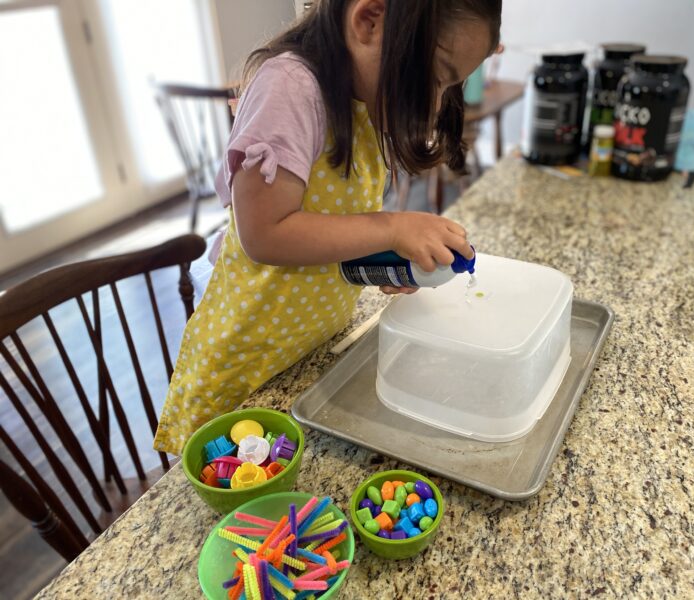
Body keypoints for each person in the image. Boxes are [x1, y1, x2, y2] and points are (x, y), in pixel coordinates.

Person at [154, 0, 502, 454]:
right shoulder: (290, 87)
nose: (436, 103)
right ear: (369, 21)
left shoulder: (360, 95)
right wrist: (390, 227)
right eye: (437, 76)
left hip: (309, 354)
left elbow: (333, 223)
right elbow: (266, 233)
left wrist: (383, 259)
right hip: (246, 369)